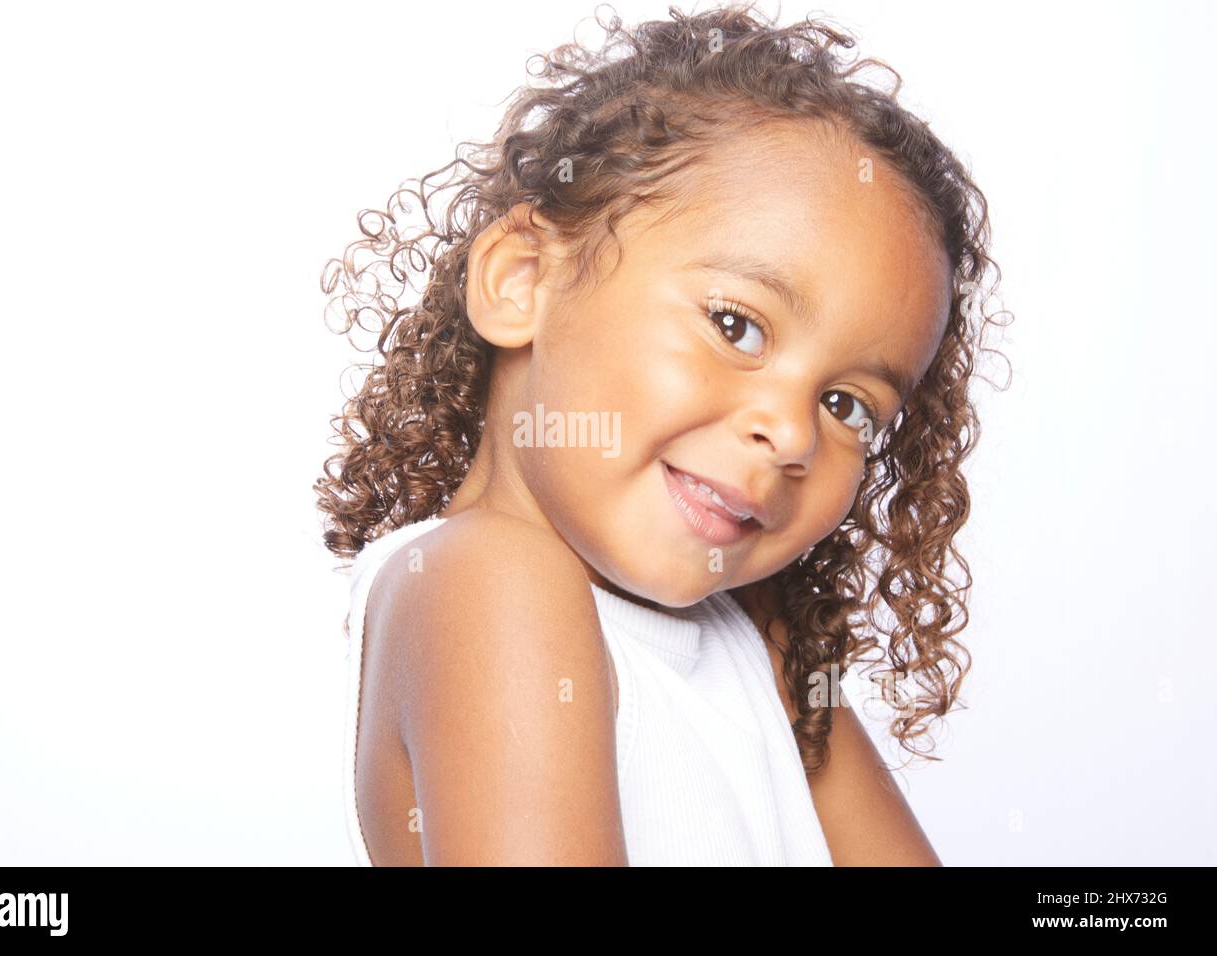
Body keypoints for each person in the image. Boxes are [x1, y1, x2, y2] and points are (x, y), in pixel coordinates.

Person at [315, 3, 1007, 866]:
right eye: (736, 325)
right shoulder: (488, 578)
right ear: (524, 279)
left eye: (846, 406)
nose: (791, 433)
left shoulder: (760, 645)